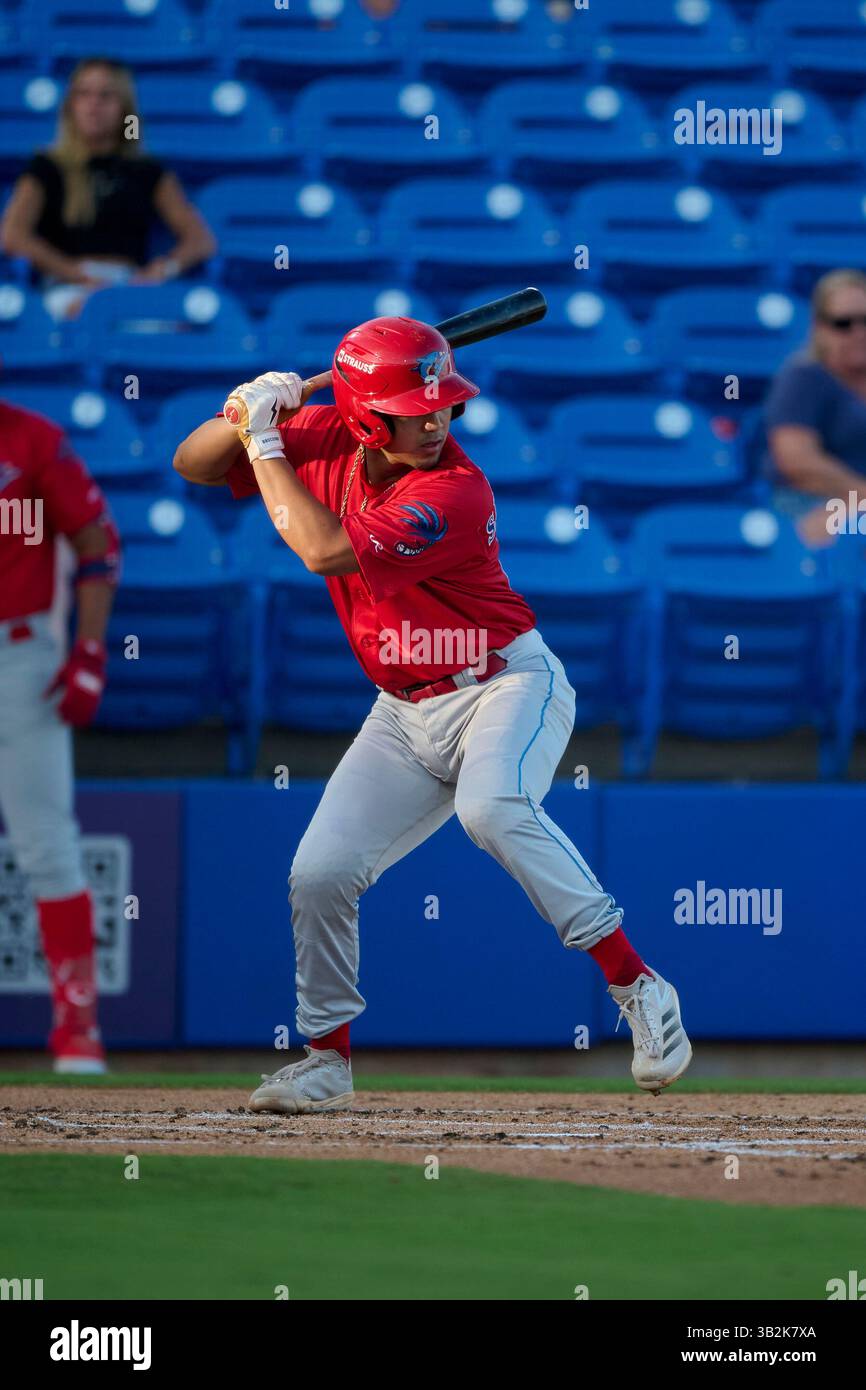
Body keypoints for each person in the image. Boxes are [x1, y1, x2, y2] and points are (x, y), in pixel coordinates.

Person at [173, 316, 693, 1112]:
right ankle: (325, 1059)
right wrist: (244, 413)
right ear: (366, 418)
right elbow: (192, 464)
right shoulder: (325, 435)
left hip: (505, 685)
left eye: (443, 405)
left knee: (492, 808)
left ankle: (639, 988)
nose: (436, 420)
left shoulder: (453, 488)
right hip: (401, 709)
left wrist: (266, 443)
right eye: (417, 410)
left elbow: (319, 550)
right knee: (318, 874)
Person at [0, 391, 120, 1071]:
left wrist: (92, 651)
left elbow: (97, 544)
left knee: (47, 843)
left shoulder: (33, 439)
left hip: (19, 658)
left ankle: (77, 1029)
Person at [0, 57, 215, 321]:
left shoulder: (145, 170)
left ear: (126, 111)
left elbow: (200, 240)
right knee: (87, 313)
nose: (94, 104)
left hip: (130, 287)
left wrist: (161, 270)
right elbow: (12, 235)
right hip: (66, 287)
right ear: (70, 107)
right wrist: (73, 272)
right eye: (84, 94)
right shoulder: (46, 166)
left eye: (106, 95)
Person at [765, 268, 866, 549]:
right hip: (810, 504)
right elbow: (798, 462)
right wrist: (861, 497)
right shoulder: (804, 378)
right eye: (843, 323)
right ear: (820, 328)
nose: (858, 332)